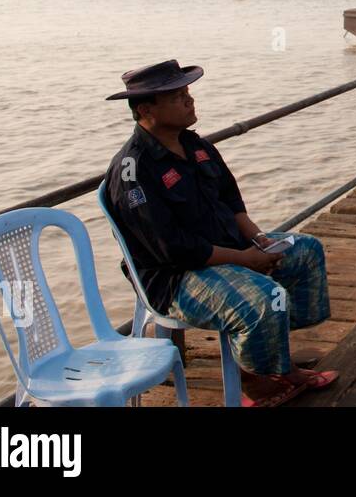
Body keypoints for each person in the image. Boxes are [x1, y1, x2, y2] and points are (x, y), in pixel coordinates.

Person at [103, 60, 337, 407]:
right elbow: (173, 249)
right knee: (264, 297)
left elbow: (229, 196)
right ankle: (255, 382)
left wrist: (259, 240)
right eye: (177, 96)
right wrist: (245, 260)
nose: (189, 100)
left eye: (187, 92)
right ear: (145, 110)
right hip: (176, 277)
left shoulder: (195, 145)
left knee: (305, 252)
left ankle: (271, 360)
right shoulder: (133, 171)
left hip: (229, 248)